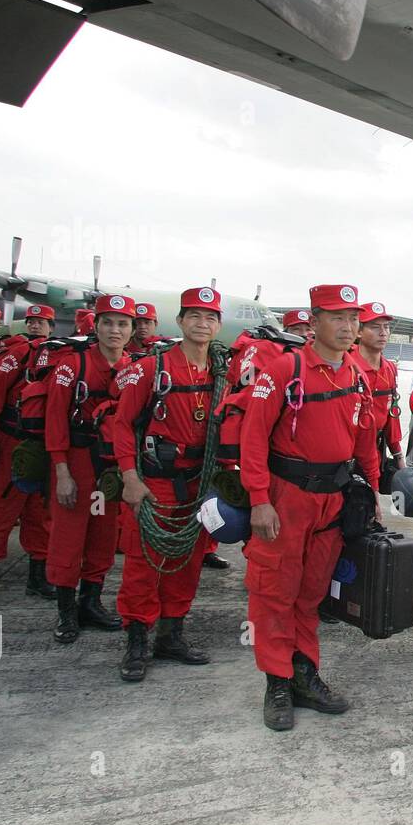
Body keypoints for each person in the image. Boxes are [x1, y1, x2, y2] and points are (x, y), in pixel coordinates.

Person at [240, 283, 379, 731]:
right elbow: (253, 437)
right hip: (286, 499)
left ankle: (305, 673)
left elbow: (364, 438)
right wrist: (259, 500)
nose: (347, 326)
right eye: (337, 317)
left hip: (333, 501)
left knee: (312, 592)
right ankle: (277, 681)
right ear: (314, 320)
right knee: (274, 591)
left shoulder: (356, 374)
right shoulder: (285, 369)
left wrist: (372, 490)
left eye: (353, 319)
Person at [114, 287, 226, 682]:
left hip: (199, 482)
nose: (202, 323)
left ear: (218, 325)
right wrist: (129, 477)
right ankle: (136, 641)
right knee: (145, 563)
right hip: (156, 481)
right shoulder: (151, 368)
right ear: (179, 321)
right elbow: (122, 424)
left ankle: (171, 634)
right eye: (194, 315)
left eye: (210, 317)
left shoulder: (223, 371)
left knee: (187, 560)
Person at [45, 294, 134, 643]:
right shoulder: (72, 366)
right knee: (68, 536)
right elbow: (55, 422)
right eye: (108, 322)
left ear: (131, 330)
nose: (115, 330)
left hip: (110, 466)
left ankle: (91, 603)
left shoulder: (133, 367)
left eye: (122, 323)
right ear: (95, 326)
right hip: (77, 460)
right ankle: (66, 612)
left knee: (103, 535)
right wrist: (61, 472)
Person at [0, 304, 57, 607]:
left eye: (42, 322)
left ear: (52, 328)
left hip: (47, 448)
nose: (36, 326)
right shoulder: (15, 353)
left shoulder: (64, 355)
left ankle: (37, 578)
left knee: (42, 515)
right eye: (32, 321)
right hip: (9, 443)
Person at [350, 301, 404, 481]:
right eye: (374, 327)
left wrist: (398, 457)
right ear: (358, 331)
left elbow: (392, 415)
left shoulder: (389, 368)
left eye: (387, 327)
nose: (383, 332)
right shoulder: (346, 365)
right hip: (345, 452)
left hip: (374, 452)